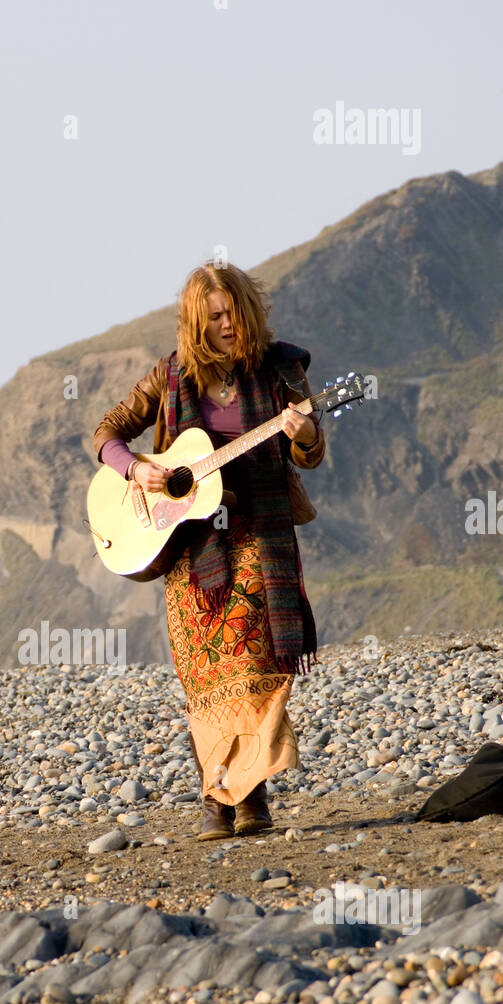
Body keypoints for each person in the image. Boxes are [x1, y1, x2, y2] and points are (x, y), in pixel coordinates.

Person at [91, 262, 324, 839]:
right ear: (197, 321)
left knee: (250, 664)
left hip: (258, 536)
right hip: (191, 546)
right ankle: (218, 802)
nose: (226, 324)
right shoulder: (170, 375)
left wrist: (305, 435)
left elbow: (311, 457)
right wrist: (138, 469)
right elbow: (106, 435)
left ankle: (249, 798)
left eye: (233, 313)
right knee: (203, 678)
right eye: (214, 316)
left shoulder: (283, 370)